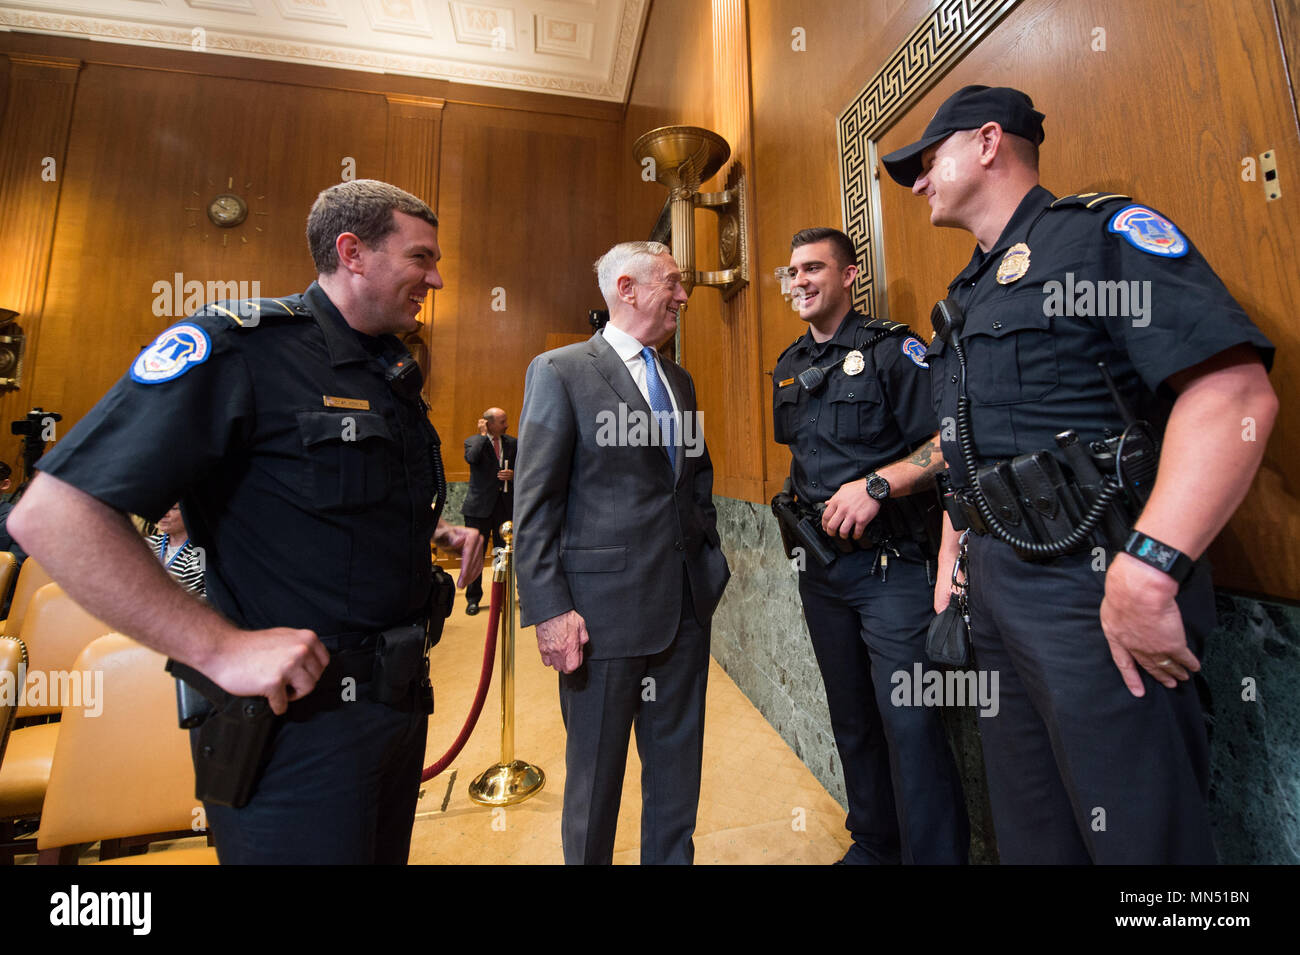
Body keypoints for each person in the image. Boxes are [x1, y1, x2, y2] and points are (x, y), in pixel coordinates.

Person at [8, 178, 484, 864]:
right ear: (352, 252)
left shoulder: (389, 373)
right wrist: (217, 648)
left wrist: (434, 530)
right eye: (421, 258)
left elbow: (328, 503)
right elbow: (54, 512)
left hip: (397, 709)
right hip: (296, 734)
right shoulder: (239, 347)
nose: (435, 278)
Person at [881, 85, 1278, 863]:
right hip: (996, 584)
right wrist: (955, 553)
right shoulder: (965, 294)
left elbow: (1232, 393)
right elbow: (968, 439)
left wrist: (1153, 567)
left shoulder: (1103, 235)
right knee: (1035, 833)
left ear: (989, 141)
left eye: (930, 160)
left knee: (1141, 838)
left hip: (1091, 577)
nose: (921, 181)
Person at [513, 240, 730, 865]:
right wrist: (550, 610)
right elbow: (534, 506)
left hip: (684, 613)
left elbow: (694, 482)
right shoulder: (560, 371)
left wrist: (708, 565)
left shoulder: (680, 380)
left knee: (676, 781)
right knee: (595, 787)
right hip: (599, 622)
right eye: (674, 283)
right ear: (627, 288)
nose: (684, 296)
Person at [771, 227, 968, 864]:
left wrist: (877, 485)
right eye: (792, 271)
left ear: (850, 275)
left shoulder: (892, 349)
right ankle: (875, 846)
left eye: (813, 269)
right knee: (852, 719)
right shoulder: (789, 366)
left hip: (894, 570)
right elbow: (806, 459)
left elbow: (947, 445)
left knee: (910, 725)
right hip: (822, 573)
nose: (798, 281)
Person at [462, 407, 515, 615]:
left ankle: (500, 598)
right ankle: (473, 599)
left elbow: (524, 468)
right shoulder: (473, 441)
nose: (506, 425)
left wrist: (514, 474)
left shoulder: (512, 443)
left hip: (503, 508)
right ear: (488, 423)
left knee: (501, 555)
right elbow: (472, 458)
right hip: (478, 508)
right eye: (502, 422)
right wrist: (483, 436)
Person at [145, 502, 205, 597]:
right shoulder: (148, 543)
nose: (164, 514)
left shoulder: (201, 552)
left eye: (173, 509)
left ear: (189, 513)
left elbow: (194, 593)